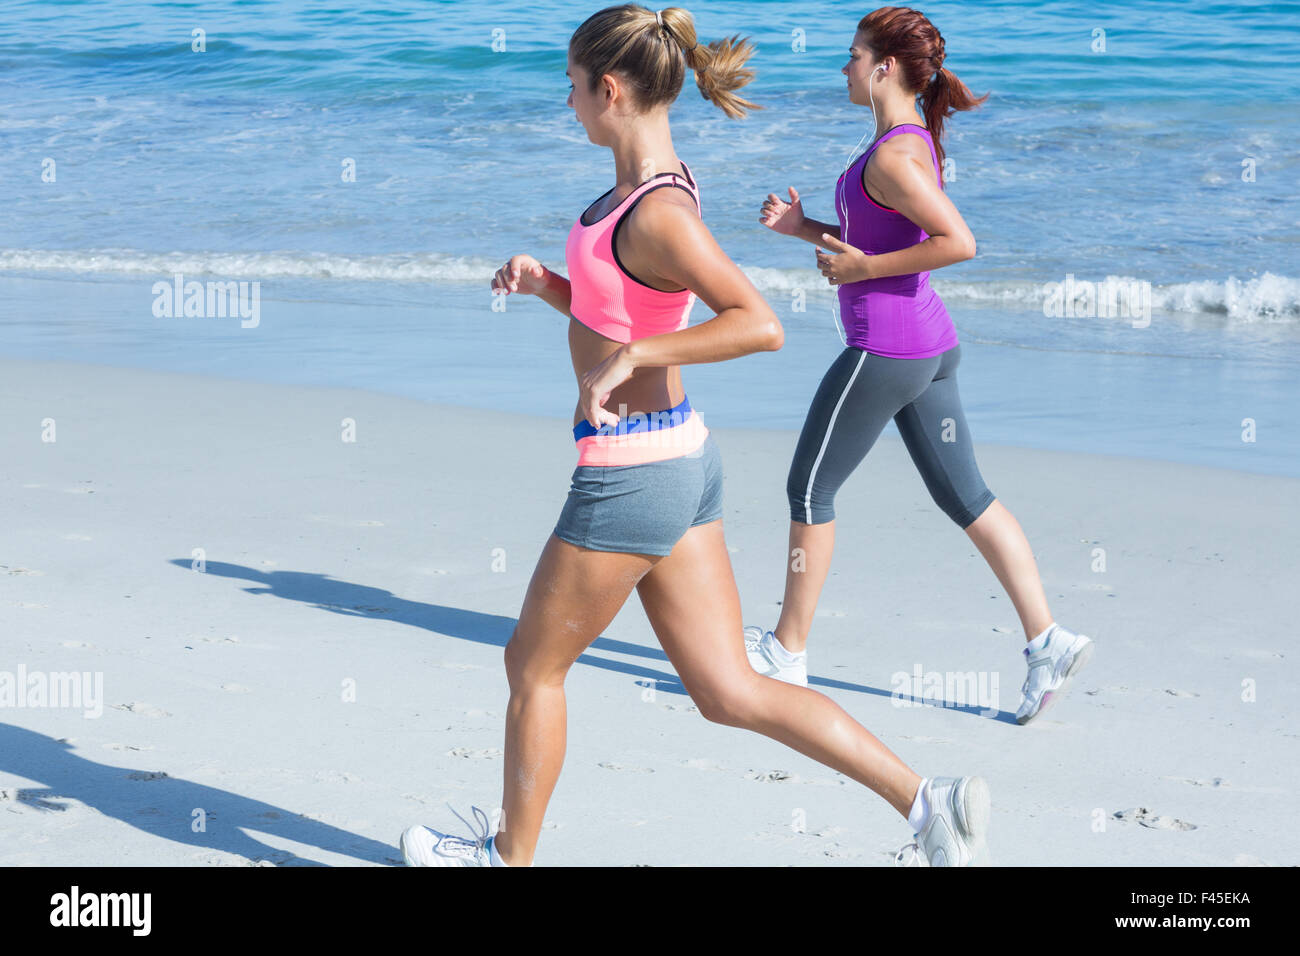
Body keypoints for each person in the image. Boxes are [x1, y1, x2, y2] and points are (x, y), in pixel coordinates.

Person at [400, 3, 989, 867]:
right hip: (677, 462)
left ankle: (505, 860)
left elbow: (757, 324)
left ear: (608, 89)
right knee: (728, 690)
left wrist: (630, 352)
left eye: (571, 88)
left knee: (533, 667)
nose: (567, 105)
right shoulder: (645, 191)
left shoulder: (661, 211)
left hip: (633, 474)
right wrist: (551, 286)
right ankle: (927, 803)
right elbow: (622, 308)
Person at [749, 6, 1093, 725]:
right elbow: (879, 232)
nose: (841, 67)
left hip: (886, 349)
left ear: (882, 67)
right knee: (967, 498)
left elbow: (958, 241)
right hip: (928, 349)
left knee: (809, 488)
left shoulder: (894, 155)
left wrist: (865, 267)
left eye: (851, 55)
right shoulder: (902, 142)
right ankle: (1047, 641)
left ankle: (787, 649)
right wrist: (804, 229)